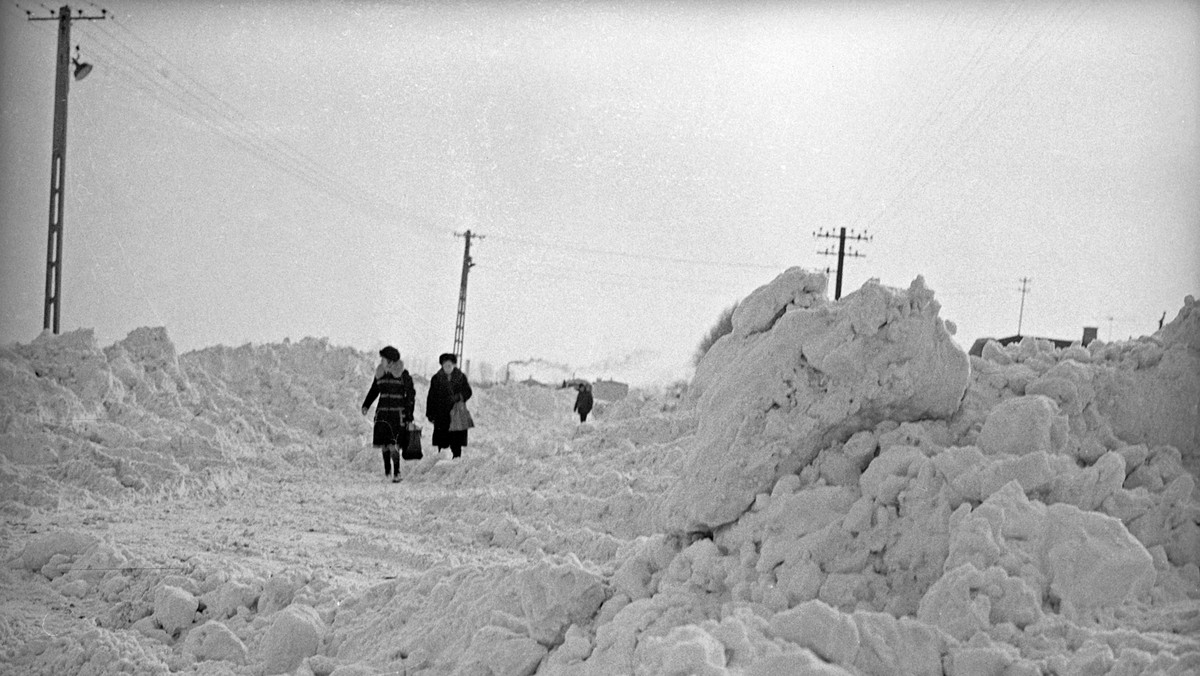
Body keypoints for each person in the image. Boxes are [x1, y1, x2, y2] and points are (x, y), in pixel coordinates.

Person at [361, 346, 415, 482]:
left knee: (394, 444)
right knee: (384, 444)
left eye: (383, 359)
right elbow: (374, 390)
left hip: (397, 415)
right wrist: (366, 405)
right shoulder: (380, 374)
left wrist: (409, 415)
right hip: (382, 414)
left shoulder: (403, 375)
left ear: (390, 361)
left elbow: (410, 396)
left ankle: (397, 472)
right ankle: (387, 472)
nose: (381, 361)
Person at [426, 352, 472, 459]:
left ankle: (456, 460)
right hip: (441, 413)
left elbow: (468, 392)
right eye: (445, 365)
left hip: (457, 413)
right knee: (442, 440)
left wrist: (458, 397)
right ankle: (442, 460)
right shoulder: (436, 378)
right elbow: (431, 397)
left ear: (454, 365)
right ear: (442, 365)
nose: (447, 367)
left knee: (456, 441)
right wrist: (430, 413)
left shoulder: (461, 377)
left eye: (449, 365)